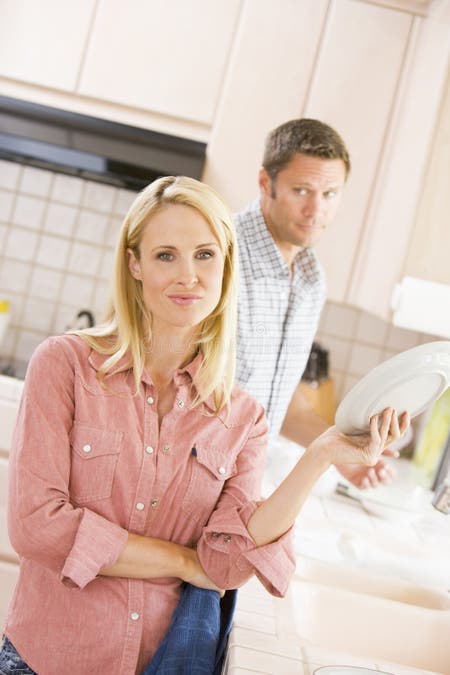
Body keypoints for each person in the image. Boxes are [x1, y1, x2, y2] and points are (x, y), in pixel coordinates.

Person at [1, 175, 408, 675]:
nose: (188, 276)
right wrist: (179, 560)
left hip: (162, 663)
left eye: (205, 255)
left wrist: (321, 453)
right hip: (47, 660)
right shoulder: (65, 365)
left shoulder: (242, 419)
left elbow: (227, 564)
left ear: (226, 267)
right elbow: (36, 529)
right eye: (165, 255)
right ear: (135, 265)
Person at [235, 118, 397, 489]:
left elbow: (276, 400)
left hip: (241, 489)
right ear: (266, 183)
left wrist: (340, 452)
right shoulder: (217, 256)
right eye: (302, 191)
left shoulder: (310, 279)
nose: (316, 211)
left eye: (330, 194)